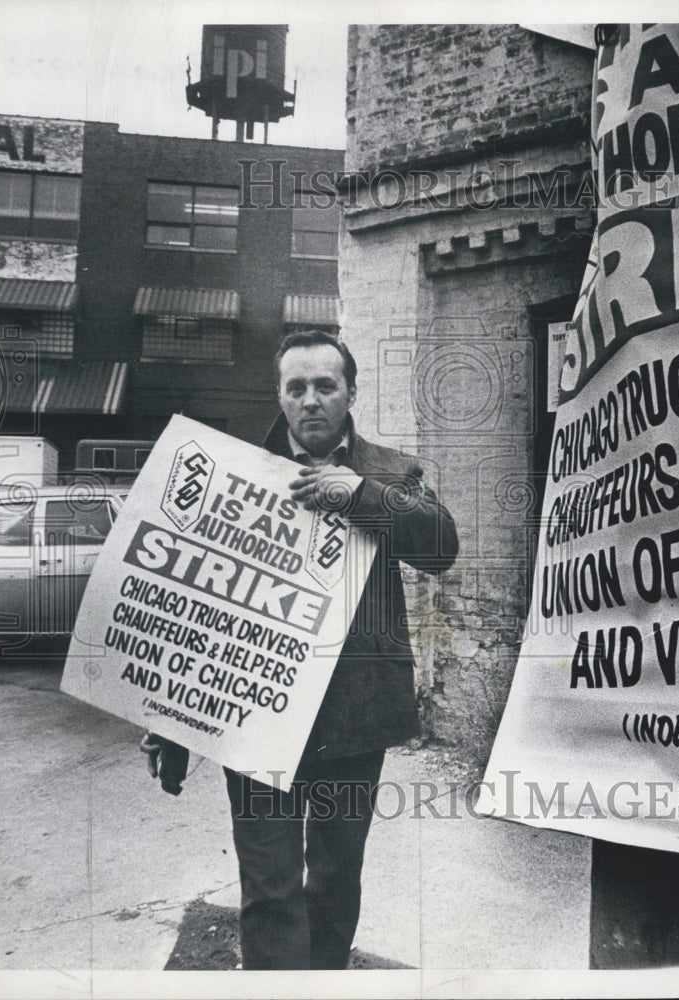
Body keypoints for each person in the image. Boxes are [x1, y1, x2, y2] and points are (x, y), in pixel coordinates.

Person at [141, 329, 458, 969]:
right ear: (279, 397)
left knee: (335, 883)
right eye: (297, 387)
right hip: (253, 718)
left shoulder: (392, 473)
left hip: (355, 719)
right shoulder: (232, 474)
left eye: (325, 386)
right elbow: (197, 610)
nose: (311, 400)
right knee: (269, 889)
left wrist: (361, 496)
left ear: (350, 393)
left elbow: (440, 547)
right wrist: (172, 723)